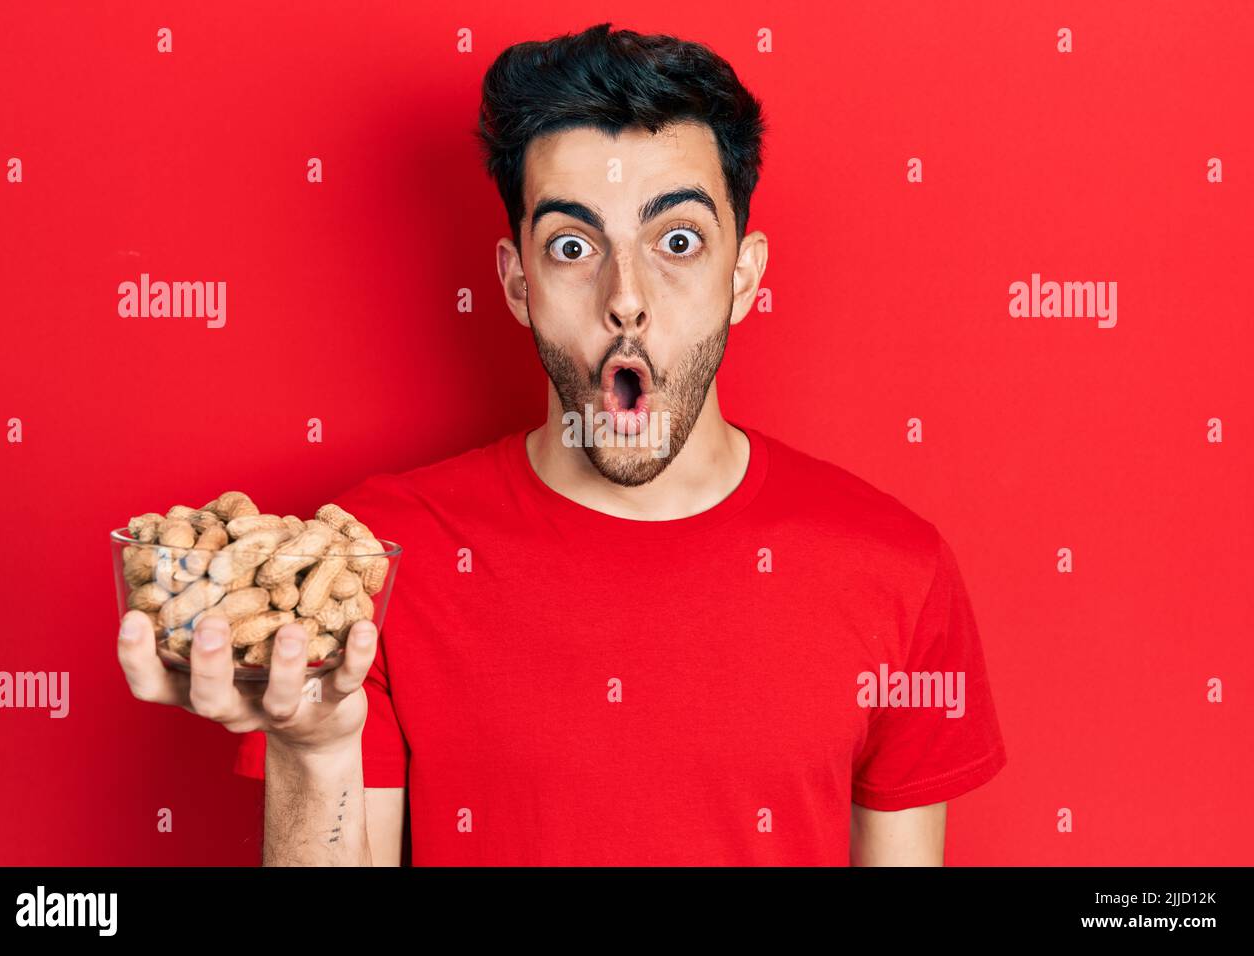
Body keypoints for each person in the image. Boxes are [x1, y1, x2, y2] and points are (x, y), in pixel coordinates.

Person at [118, 21, 1006, 866]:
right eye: (575, 244)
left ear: (745, 275)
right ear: (516, 281)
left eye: (680, 240)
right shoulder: (382, 555)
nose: (627, 297)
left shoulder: (896, 569)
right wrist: (311, 752)